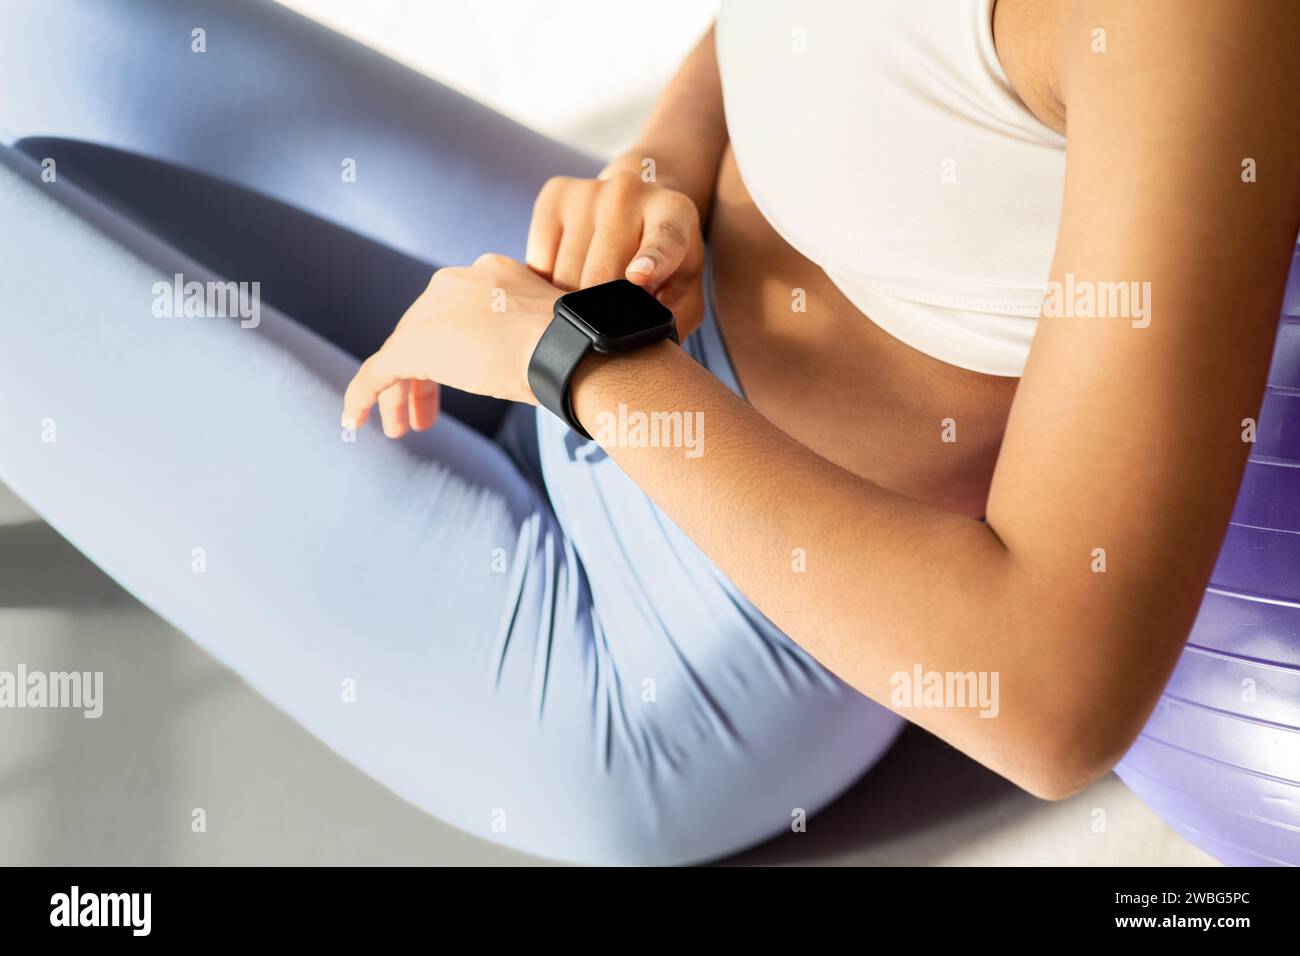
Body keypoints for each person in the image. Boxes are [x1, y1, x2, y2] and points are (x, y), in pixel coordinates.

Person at [1, 0, 1296, 865]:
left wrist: (575, 366)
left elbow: (1048, 702)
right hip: (618, 304)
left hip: (656, 639)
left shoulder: (1194, 27)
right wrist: (661, 167)